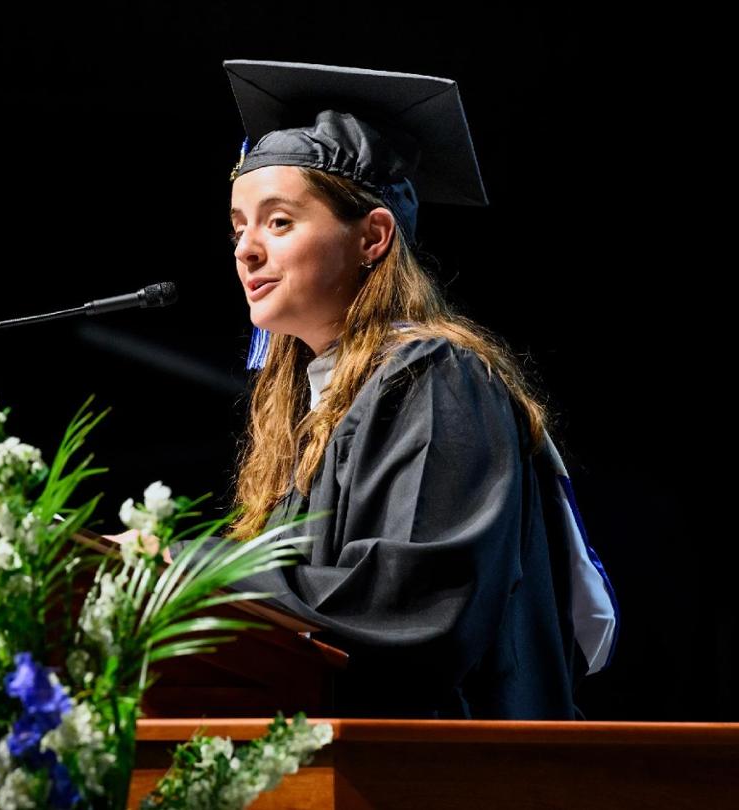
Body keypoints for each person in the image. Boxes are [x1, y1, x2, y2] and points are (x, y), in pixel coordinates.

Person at [192, 60, 617, 719]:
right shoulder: (314, 411)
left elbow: (411, 607)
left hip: (449, 771)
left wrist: (199, 570)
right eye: (238, 226)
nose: (246, 249)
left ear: (373, 237)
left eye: (278, 222)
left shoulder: (438, 378)